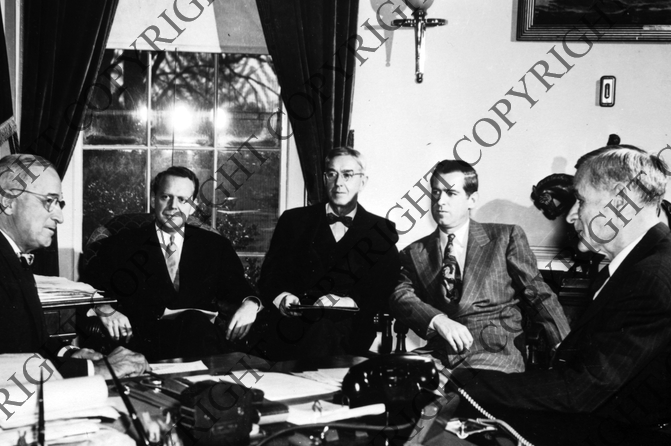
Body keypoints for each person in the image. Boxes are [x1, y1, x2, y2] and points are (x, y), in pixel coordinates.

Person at [450, 146, 671, 425]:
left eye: (581, 201)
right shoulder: (656, 260)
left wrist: (463, 382)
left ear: (620, 204)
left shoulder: (649, 278)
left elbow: (580, 392)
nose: (571, 216)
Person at [0, 154, 146, 378]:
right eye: (48, 201)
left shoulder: (5, 254)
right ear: (8, 201)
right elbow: (6, 370)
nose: (59, 217)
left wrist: (68, 352)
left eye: (59, 203)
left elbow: (27, 341)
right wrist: (99, 369)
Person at [390, 159, 570, 373]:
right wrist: (438, 320)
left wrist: (565, 345)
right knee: (393, 384)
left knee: (460, 396)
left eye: (451, 193)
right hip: (438, 354)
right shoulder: (414, 252)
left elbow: (537, 293)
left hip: (493, 352)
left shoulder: (505, 237)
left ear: (471, 199)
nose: (440, 201)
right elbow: (400, 295)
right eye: (436, 193)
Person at [82, 166, 261, 360]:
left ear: (193, 205)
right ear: (153, 199)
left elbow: (237, 287)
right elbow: (88, 288)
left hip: (198, 341)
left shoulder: (214, 245)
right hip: (142, 343)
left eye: (182, 199)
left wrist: (250, 304)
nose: (173, 206)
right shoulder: (121, 243)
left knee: (195, 324)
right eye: (166, 197)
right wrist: (105, 309)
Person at [257, 147, 399, 359]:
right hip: (292, 326)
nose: (339, 182)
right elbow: (269, 276)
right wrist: (282, 297)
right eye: (332, 174)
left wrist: (347, 301)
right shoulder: (294, 221)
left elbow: (385, 288)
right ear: (324, 179)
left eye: (348, 175)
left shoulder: (381, 230)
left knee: (323, 332)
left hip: (349, 330)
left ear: (363, 181)